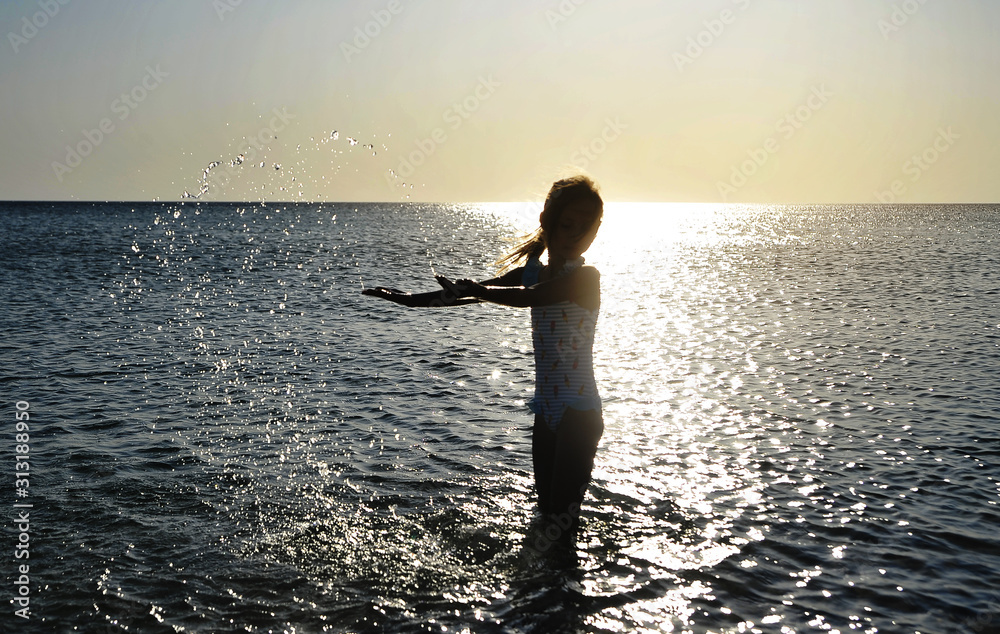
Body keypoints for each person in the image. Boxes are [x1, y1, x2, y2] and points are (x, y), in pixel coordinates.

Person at [363, 175, 605, 546]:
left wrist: (481, 291)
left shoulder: (586, 278)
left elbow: (530, 297)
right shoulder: (531, 272)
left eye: (586, 226)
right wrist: (408, 299)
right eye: (567, 223)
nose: (576, 234)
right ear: (547, 220)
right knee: (546, 517)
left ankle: (566, 591)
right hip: (547, 410)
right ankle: (544, 590)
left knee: (563, 522)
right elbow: (465, 295)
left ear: (597, 229)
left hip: (579, 413)